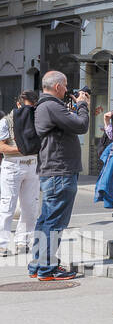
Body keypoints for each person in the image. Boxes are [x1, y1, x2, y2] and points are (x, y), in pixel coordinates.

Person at [28, 72, 90, 280]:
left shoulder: (46, 106)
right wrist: (82, 105)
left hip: (53, 171)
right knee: (54, 223)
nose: (67, 90)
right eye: (64, 86)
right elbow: (81, 125)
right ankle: (47, 268)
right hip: (59, 172)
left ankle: (38, 264)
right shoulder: (52, 106)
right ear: (57, 87)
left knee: (46, 220)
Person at [0, 91, 39, 257]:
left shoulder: (38, 120)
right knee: (8, 205)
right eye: (25, 106)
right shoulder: (6, 121)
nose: (28, 109)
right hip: (12, 166)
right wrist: (22, 149)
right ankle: (2, 244)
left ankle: (23, 241)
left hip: (33, 166)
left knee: (30, 206)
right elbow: (2, 147)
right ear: (18, 105)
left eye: (31, 106)